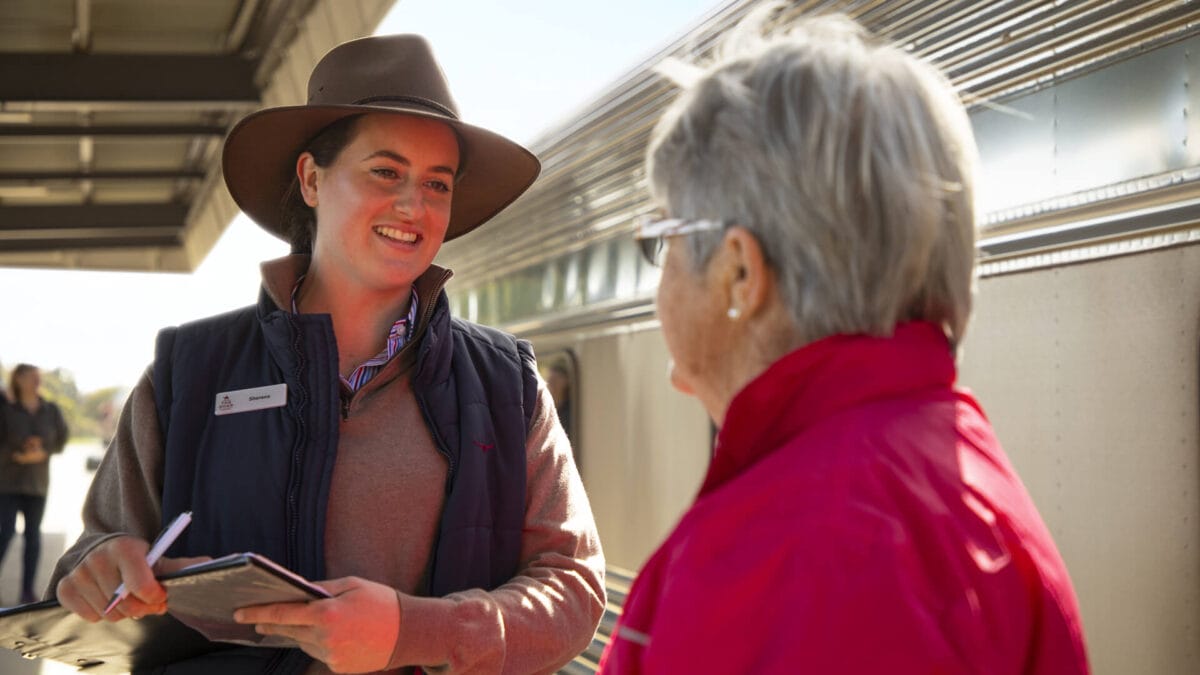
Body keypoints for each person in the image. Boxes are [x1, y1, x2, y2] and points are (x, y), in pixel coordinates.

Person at [49, 34, 604, 674]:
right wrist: (98, 566)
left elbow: (574, 588)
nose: (413, 205)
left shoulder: (508, 385)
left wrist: (416, 631)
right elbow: (96, 552)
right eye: (386, 172)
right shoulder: (188, 373)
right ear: (312, 179)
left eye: (438, 183)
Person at [599, 13, 1089, 675]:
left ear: (740, 273)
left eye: (663, 240)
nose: (661, 279)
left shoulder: (796, 553)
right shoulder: (942, 465)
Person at [1, 363, 69, 605]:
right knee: (5, 532)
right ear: (19, 379)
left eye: (38, 377)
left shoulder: (51, 409)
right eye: (32, 377)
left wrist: (43, 450)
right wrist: (17, 454)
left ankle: (27, 592)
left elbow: (61, 440)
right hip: (7, 483)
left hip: (37, 484)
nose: (37, 381)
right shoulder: (5, 408)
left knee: (33, 536)